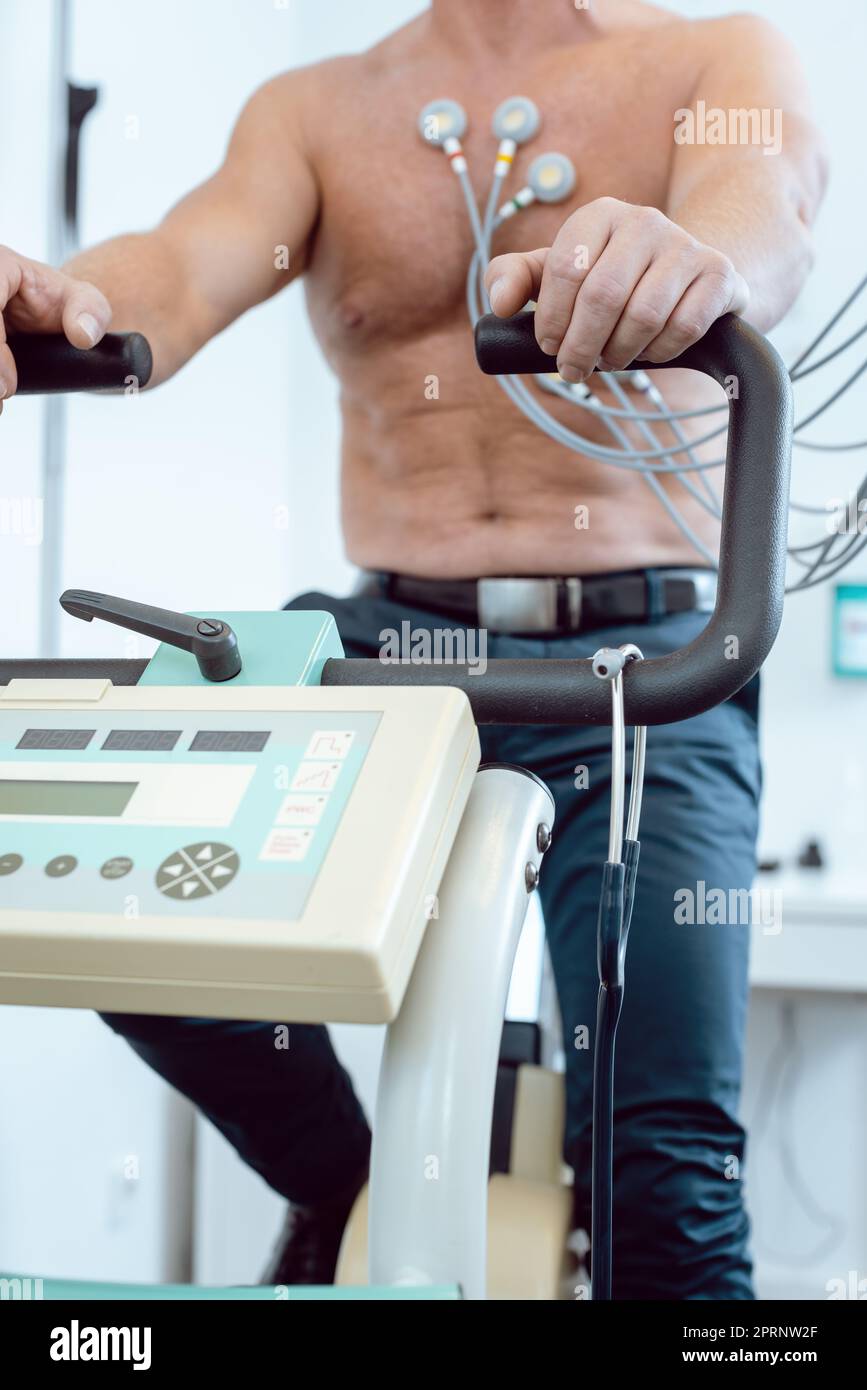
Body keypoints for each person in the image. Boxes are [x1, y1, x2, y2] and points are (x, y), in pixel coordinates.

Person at [0, 0, 826, 1298]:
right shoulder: (320, 107)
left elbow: (761, 219)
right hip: (390, 639)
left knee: (663, 1168)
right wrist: (60, 300)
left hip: (648, 654)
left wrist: (688, 259)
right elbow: (176, 268)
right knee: (133, 911)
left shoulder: (712, 59)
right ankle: (346, 1183)